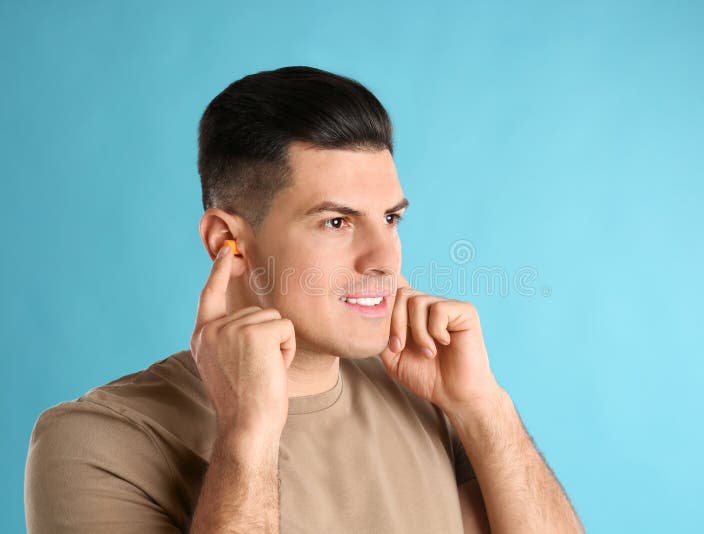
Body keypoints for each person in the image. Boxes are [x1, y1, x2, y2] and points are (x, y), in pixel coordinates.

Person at [24, 66, 584, 533]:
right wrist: (248, 433)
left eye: (391, 218)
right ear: (229, 242)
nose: (383, 258)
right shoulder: (97, 441)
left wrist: (485, 410)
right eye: (336, 221)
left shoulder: (432, 400)